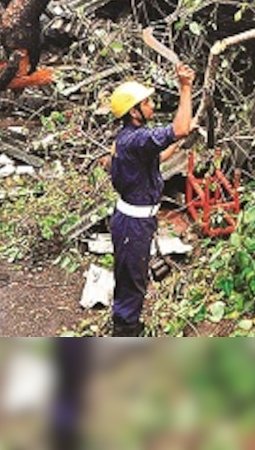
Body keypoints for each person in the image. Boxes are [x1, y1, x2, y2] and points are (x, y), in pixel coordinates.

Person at [96, 63, 194, 336]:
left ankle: (129, 326)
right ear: (134, 112)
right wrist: (185, 87)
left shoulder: (132, 140)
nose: (152, 105)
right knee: (132, 284)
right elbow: (179, 129)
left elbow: (157, 156)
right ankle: (125, 334)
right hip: (132, 225)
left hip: (135, 222)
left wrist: (181, 139)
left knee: (132, 279)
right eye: (147, 102)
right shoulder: (135, 140)